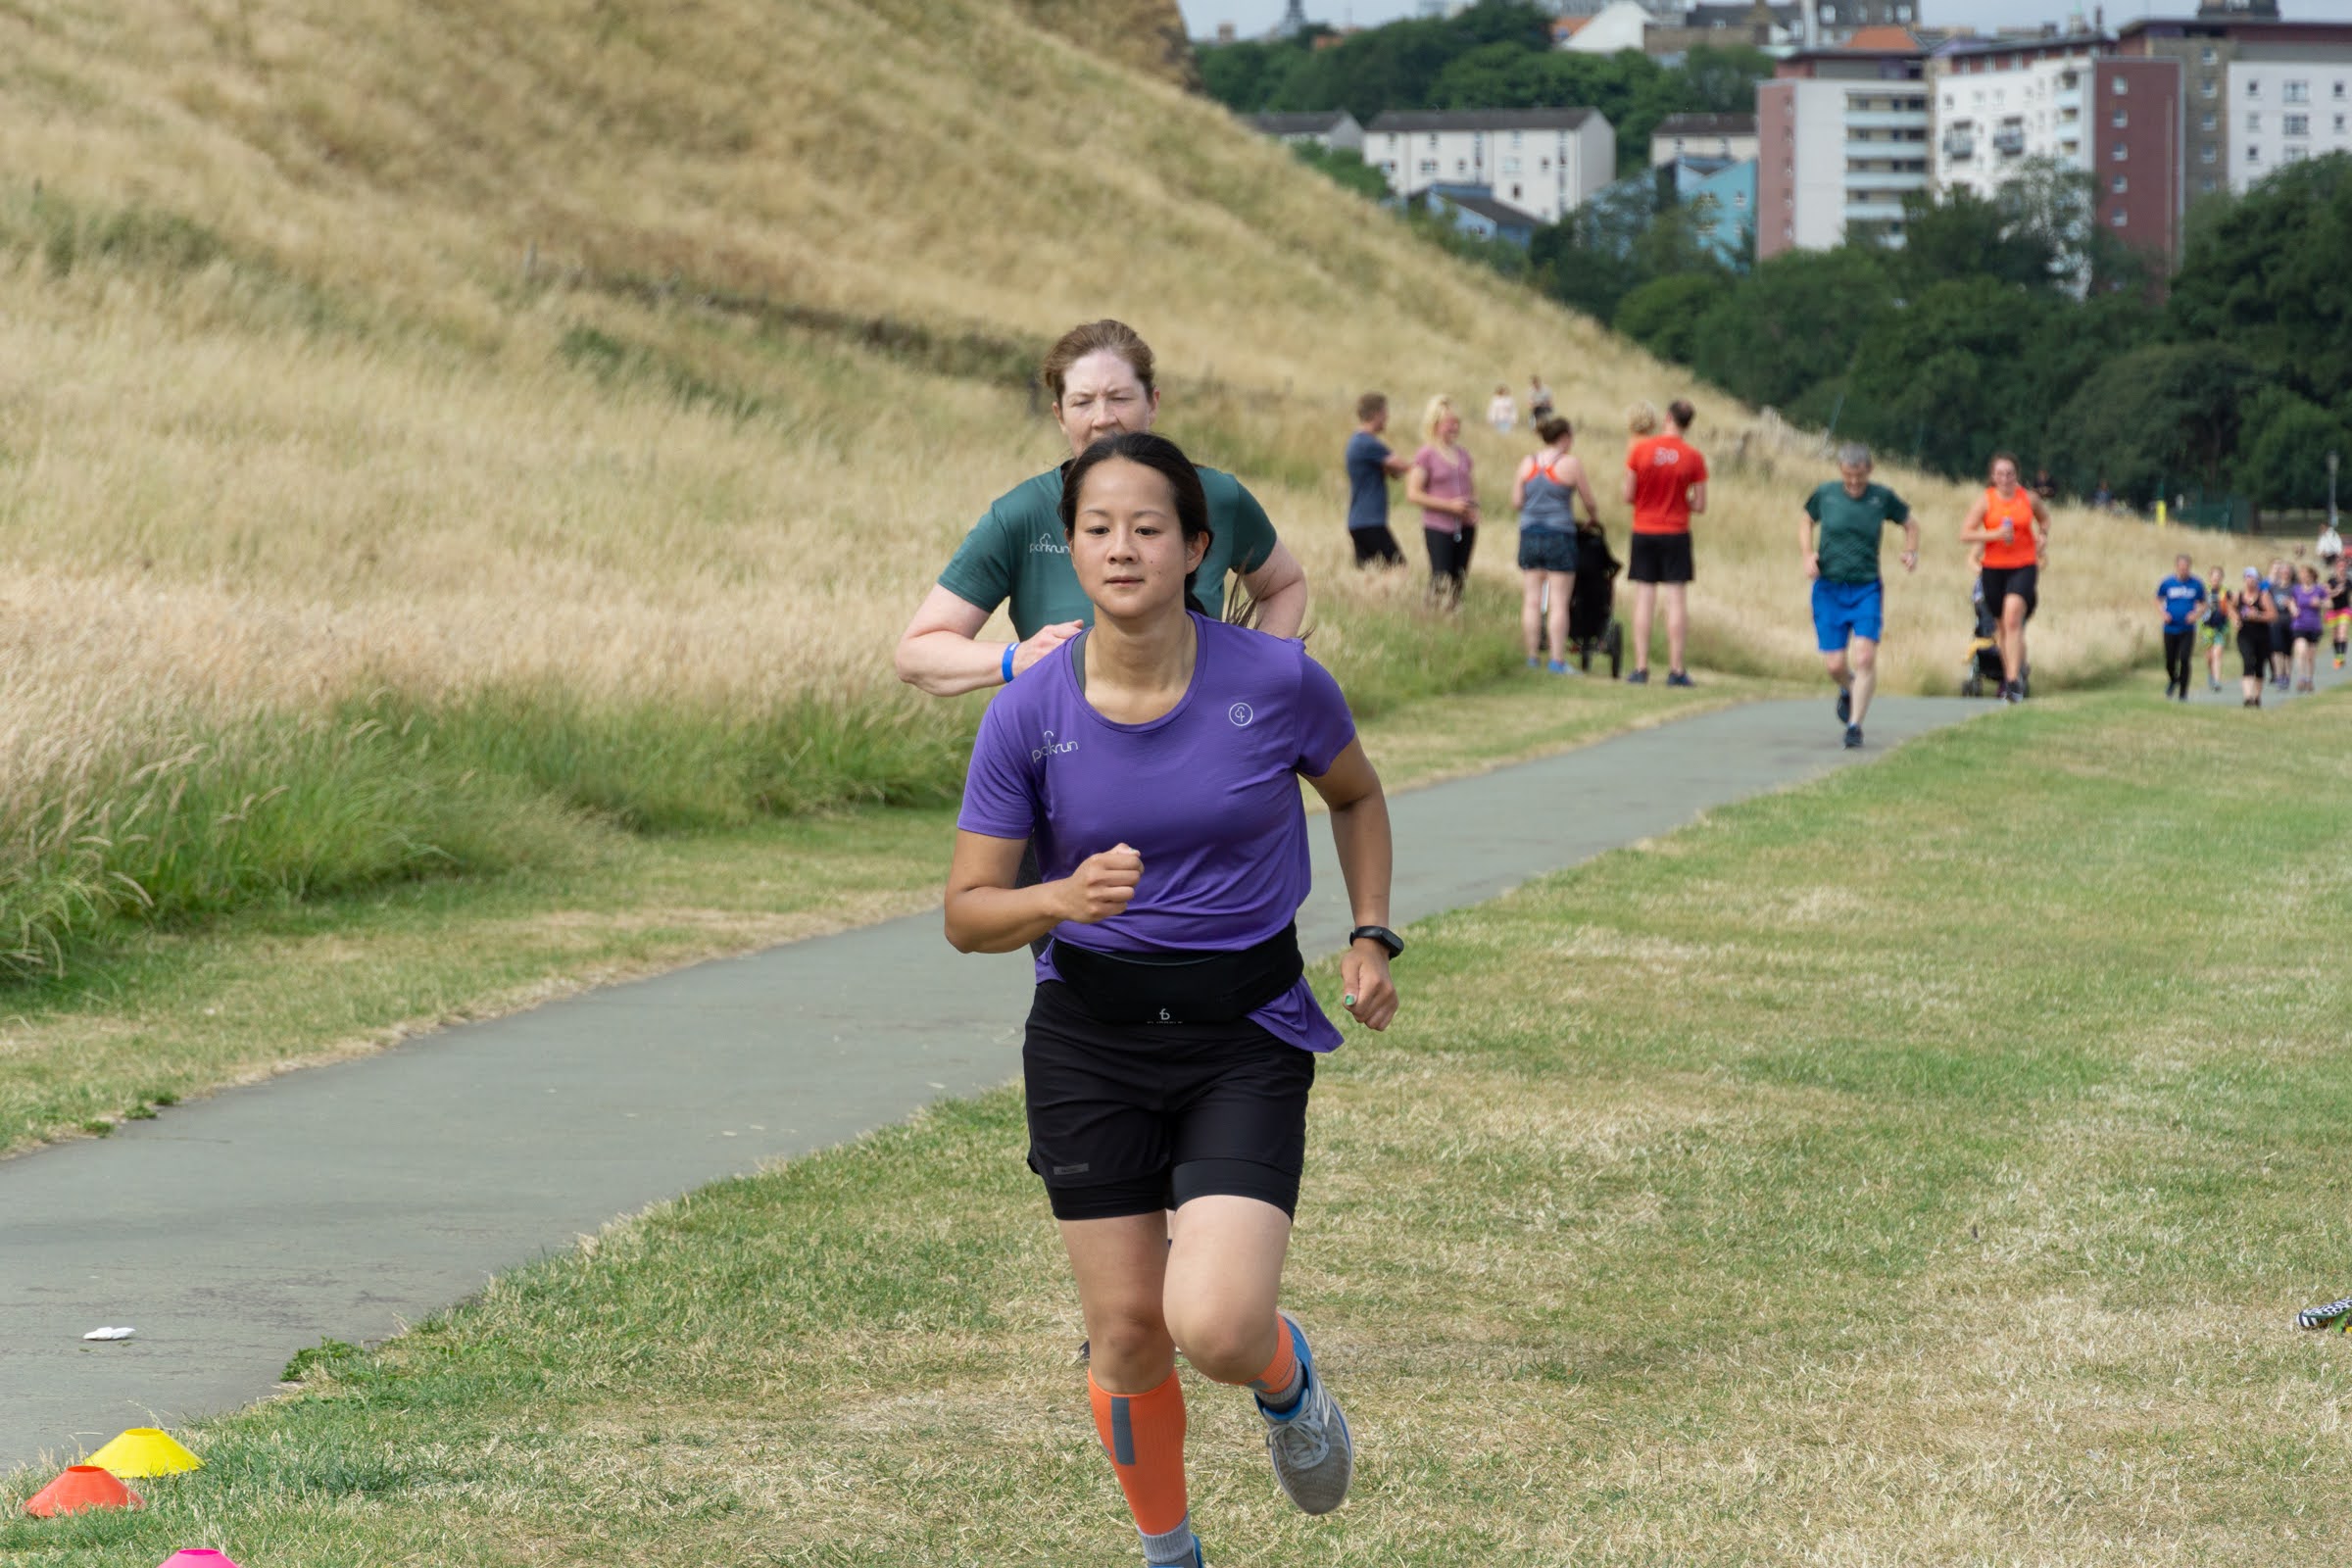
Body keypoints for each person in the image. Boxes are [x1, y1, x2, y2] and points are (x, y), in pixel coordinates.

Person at [944, 430, 1400, 1568]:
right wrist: (1056, 896)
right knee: (1131, 1333)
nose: (1122, 547)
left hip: (1242, 1032)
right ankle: (1171, 1551)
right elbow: (966, 912)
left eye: (1149, 527)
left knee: (1218, 1324)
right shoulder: (1028, 713)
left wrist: (1369, 934)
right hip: (1090, 1040)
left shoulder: (1277, 680)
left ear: (1198, 547)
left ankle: (1287, 1385)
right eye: (1097, 528)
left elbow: (1357, 793)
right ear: (1073, 551)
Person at [895, 319, 1307, 699]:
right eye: (1082, 402)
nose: (1103, 419)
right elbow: (917, 654)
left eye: (1120, 398)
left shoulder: (1218, 497)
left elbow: (1283, 586)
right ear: (1059, 415)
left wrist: (1253, 676)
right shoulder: (1019, 515)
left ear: (1153, 403)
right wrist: (1016, 659)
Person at [1802, 443, 1919, 749]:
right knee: (1834, 665)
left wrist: (1910, 552)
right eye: (1848, 476)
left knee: (1865, 656)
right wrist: (1807, 554)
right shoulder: (1826, 494)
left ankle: (1854, 726)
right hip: (1829, 588)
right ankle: (1851, 688)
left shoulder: (1881, 497)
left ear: (1870, 471)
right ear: (1841, 472)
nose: (1854, 483)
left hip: (1866, 587)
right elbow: (1806, 519)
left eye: (1859, 477)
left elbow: (1910, 523)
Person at [1621, 399, 1708, 687]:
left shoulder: (1641, 450)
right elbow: (1700, 504)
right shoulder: (1693, 457)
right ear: (1688, 423)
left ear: (1667, 417)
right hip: (1675, 531)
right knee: (1676, 600)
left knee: (1644, 597)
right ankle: (1676, 669)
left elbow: (1627, 494)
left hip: (1644, 528)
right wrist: (1681, 500)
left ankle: (1641, 667)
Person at [1512, 416, 1600, 676]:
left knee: (1531, 599)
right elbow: (1589, 500)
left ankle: (1531, 656)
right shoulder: (1569, 464)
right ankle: (1557, 659)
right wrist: (1593, 519)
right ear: (1564, 438)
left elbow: (1517, 500)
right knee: (1559, 601)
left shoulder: (1527, 462)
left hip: (1529, 533)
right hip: (1559, 535)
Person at [1958, 454, 2049, 704]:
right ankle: (2011, 679)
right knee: (2000, 627)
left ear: (2017, 475)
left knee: (2012, 619)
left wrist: (2043, 535)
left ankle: (2012, 681)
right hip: (1993, 568)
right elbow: (1965, 534)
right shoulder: (1986, 501)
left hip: (2023, 565)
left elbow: (2045, 518)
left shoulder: (2028, 498)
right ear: (1993, 476)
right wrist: (1994, 534)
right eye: (2000, 474)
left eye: (2010, 473)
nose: (2005, 478)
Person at [1405, 395, 1478, 610]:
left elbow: (1472, 487)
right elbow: (1414, 493)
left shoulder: (1463, 454)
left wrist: (1473, 507)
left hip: (1465, 526)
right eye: (1449, 424)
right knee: (1441, 576)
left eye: (1457, 424)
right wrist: (1449, 506)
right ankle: (1433, 614)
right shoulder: (1426, 454)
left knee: (1459, 576)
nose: (1454, 428)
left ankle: (1452, 614)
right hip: (1438, 526)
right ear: (1435, 425)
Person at [1344, 393, 1412, 569]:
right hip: (1370, 520)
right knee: (1399, 567)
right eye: (1384, 412)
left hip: (1358, 520)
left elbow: (1394, 473)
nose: (1387, 417)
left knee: (1369, 572)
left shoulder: (1356, 442)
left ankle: (1372, 597)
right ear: (1375, 414)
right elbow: (1402, 467)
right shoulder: (1368, 443)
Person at [2155, 553, 2208, 704]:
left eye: (2186, 568)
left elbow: (2204, 604)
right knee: (2170, 660)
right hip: (2170, 628)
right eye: (2181, 568)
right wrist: (2162, 613)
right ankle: (2173, 679)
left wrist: (2195, 614)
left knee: (2184, 659)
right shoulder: (2167, 583)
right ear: (2176, 567)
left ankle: (2183, 693)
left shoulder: (2196, 584)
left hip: (2187, 629)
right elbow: (2157, 599)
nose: (2184, 570)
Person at [2230, 566, 2278, 708]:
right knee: (2247, 661)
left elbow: (2273, 615)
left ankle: (2256, 697)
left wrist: (2258, 616)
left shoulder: (2263, 596)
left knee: (2259, 666)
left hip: (2262, 635)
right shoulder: (2238, 595)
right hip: (2244, 634)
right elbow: (2230, 608)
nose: (2250, 581)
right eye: (2247, 578)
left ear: (2257, 580)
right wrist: (2235, 619)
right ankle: (2247, 696)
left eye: (2253, 578)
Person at [2288, 564, 2328, 693]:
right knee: (2301, 650)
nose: (2303, 577)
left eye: (2306, 574)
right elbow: (2291, 602)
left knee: (2311, 655)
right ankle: (2301, 677)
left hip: (2314, 626)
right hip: (2299, 625)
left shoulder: (2319, 589)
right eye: (2301, 574)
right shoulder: (2296, 589)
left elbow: (2329, 603)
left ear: (2312, 575)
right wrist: (2293, 609)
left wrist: (2320, 602)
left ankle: (2309, 679)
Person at [2202, 565, 2232, 692]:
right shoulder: (2204, 592)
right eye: (2214, 577)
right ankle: (2211, 673)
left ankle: (2217, 681)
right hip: (2207, 628)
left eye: (2218, 578)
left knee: (2217, 654)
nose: (2216, 580)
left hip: (2221, 628)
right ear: (2210, 578)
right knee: (2209, 656)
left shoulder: (2226, 592)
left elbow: (2231, 609)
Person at [2267, 560, 2296, 690]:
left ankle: (2287, 675)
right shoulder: (2273, 588)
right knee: (2277, 650)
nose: (2285, 574)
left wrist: (2291, 603)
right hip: (2275, 623)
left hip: (2290, 622)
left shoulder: (2294, 588)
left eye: (2287, 572)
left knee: (2288, 651)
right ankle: (2279, 675)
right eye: (2282, 572)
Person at [2328, 554, 2351, 669]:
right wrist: (2337, 591)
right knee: (2335, 636)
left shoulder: (2348, 581)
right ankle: (2337, 655)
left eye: (2344, 566)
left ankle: (2341, 657)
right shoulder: (2331, 580)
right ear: (2336, 567)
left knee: (2343, 633)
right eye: (2340, 566)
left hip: (2345, 610)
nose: (2342, 568)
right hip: (2332, 611)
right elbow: (2327, 594)